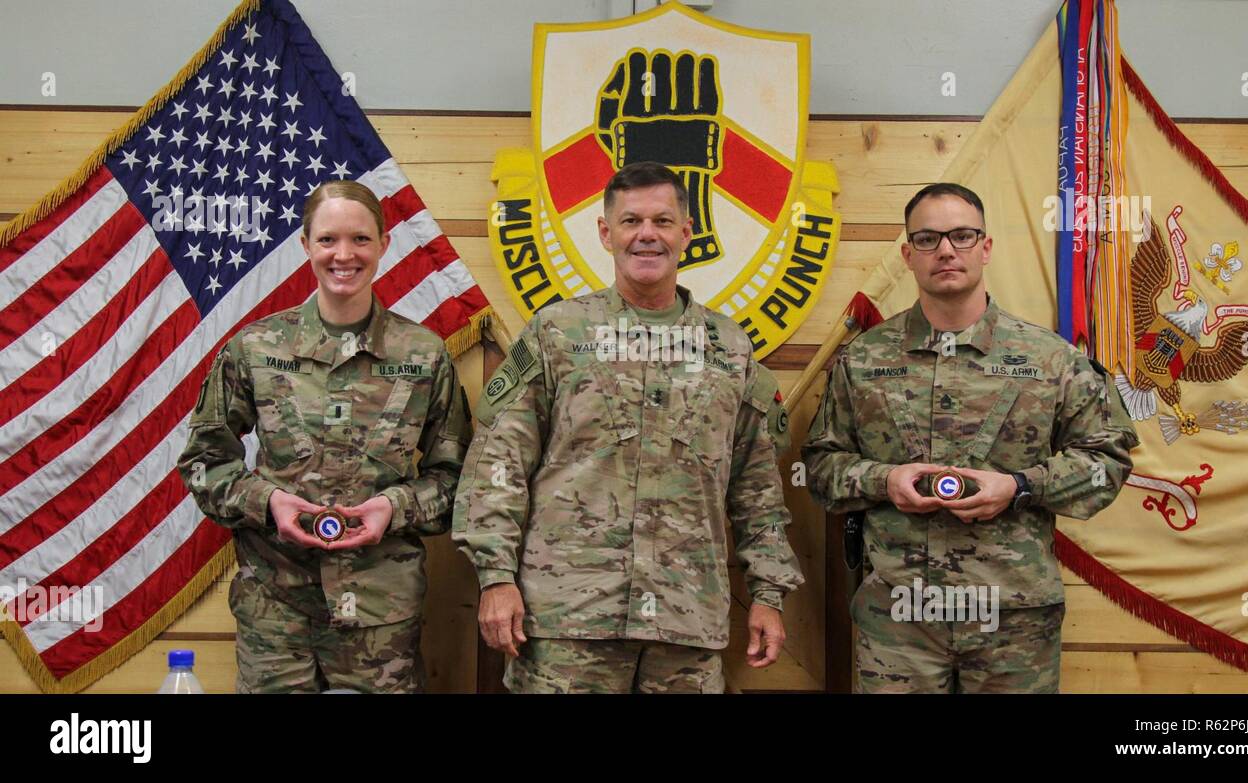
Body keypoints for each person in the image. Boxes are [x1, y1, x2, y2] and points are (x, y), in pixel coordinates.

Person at [452, 162, 803, 693]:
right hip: (569, 619)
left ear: (687, 232)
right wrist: (495, 576)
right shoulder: (558, 333)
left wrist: (769, 593)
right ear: (605, 233)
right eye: (631, 221)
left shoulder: (729, 348)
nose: (647, 234)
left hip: (685, 617)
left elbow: (756, 485)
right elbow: (500, 463)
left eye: (662, 221)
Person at [802, 182, 1138, 694]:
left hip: (1013, 619)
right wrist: (883, 480)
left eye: (962, 236)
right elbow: (820, 466)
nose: (945, 250)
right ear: (908, 255)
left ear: (985, 247)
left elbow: (1107, 462)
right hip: (899, 619)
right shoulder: (864, 358)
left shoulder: (1051, 359)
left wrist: (1021, 486)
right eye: (928, 238)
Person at [177, 180, 472, 693]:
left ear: (384, 244)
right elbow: (205, 462)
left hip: (380, 613)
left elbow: (458, 478)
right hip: (276, 608)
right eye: (328, 239)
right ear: (306, 245)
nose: (344, 255)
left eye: (360, 239)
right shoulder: (256, 348)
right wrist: (269, 503)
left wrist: (394, 508)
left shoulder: (423, 356)